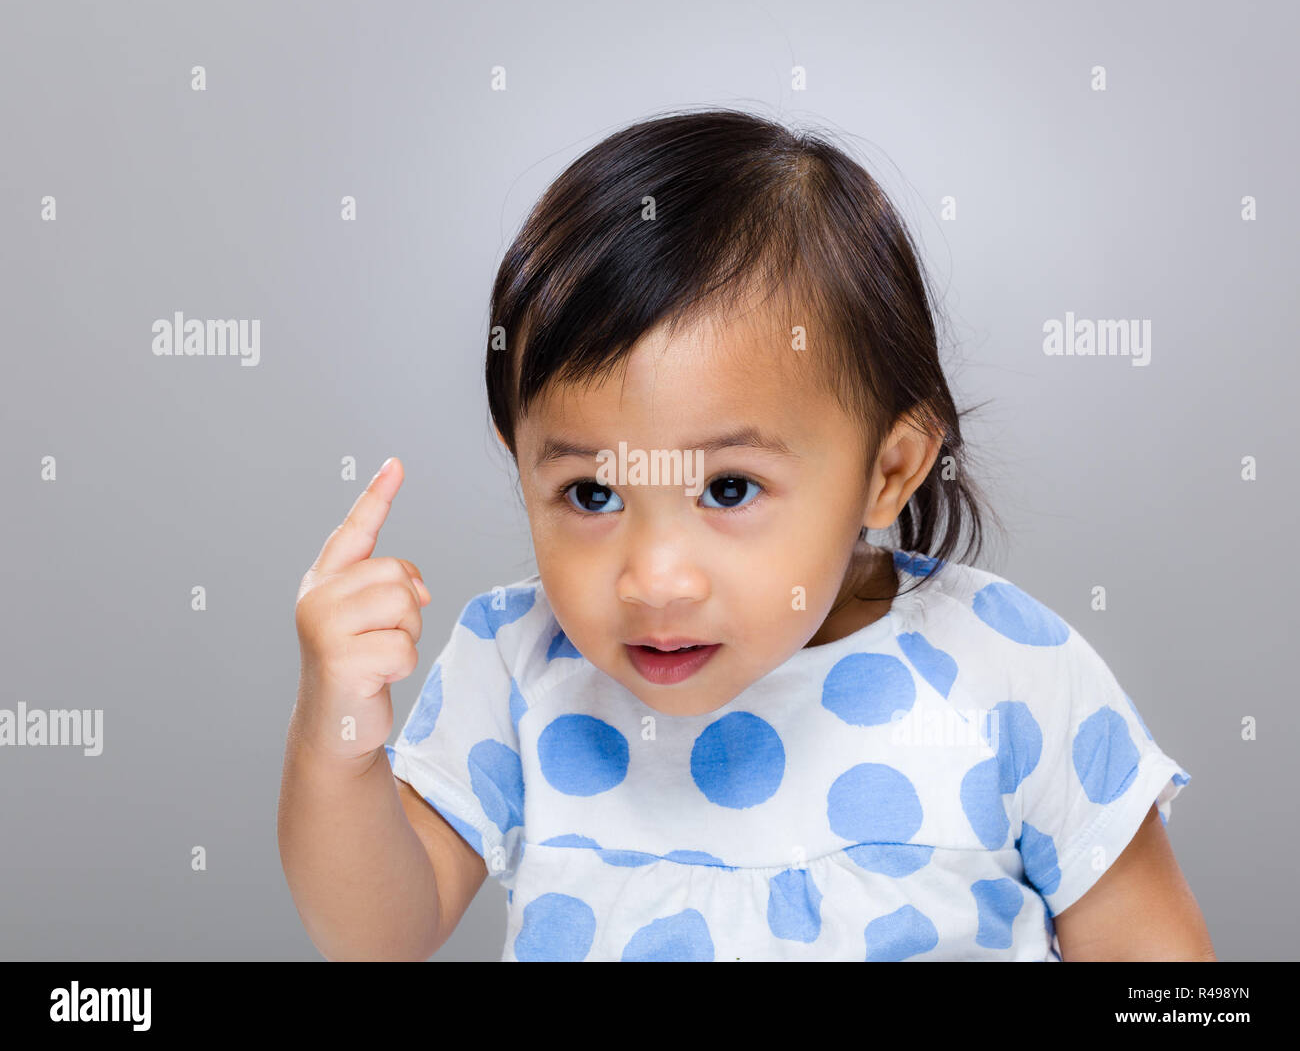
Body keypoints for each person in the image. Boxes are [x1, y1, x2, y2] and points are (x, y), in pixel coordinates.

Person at [277, 109, 1215, 961]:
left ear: (886, 471)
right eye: (591, 493)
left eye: (728, 487)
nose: (654, 579)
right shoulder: (517, 668)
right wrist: (340, 733)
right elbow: (376, 937)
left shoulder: (1012, 675)